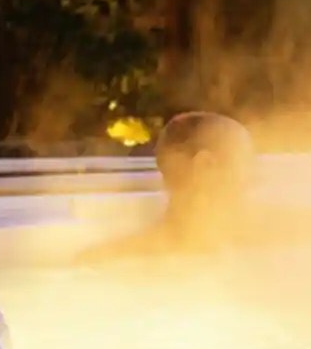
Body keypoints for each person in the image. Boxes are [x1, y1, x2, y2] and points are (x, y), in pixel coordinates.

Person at [78, 110, 257, 260]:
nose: (251, 179)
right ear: (205, 165)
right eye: (245, 163)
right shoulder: (248, 259)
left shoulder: (107, 260)